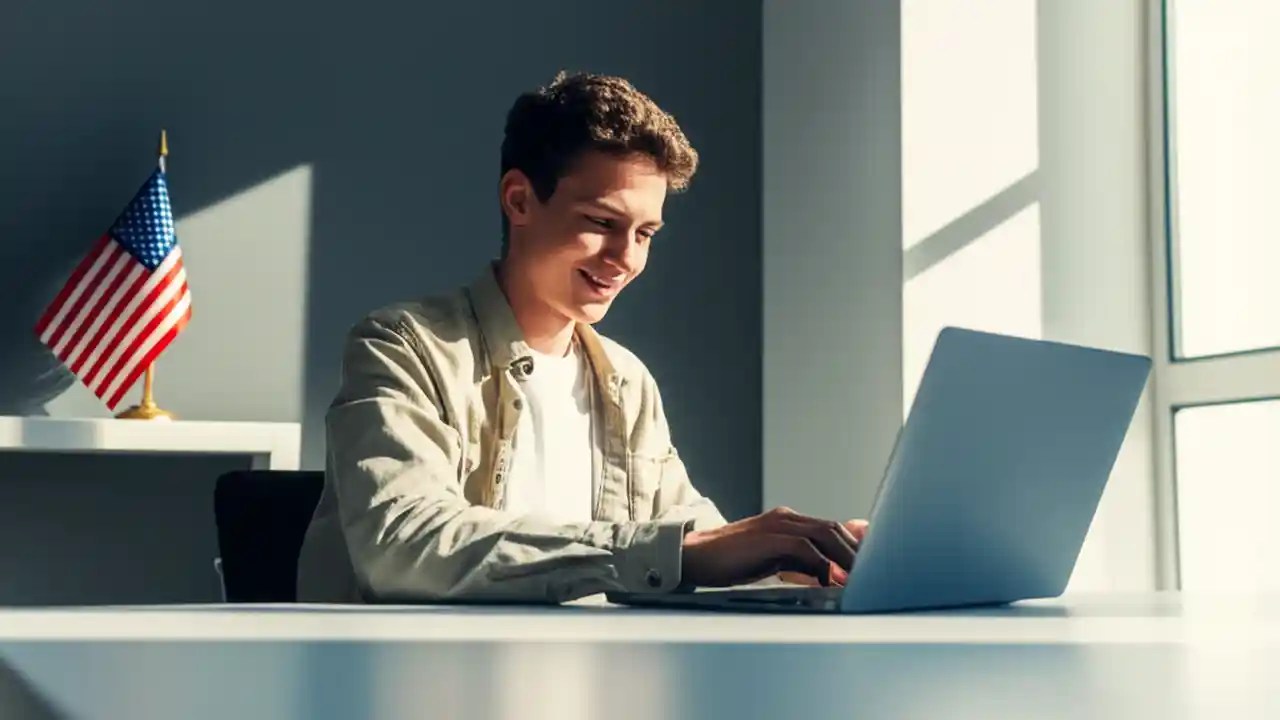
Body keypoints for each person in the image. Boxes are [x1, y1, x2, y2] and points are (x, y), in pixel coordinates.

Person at [297, 71, 867, 604]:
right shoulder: (404, 346)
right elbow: (405, 544)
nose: (627, 259)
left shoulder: (625, 381)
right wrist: (675, 553)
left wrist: (797, 560)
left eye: (645, 233)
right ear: (519, 200)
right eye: (602, 223)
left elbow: (695, 541)